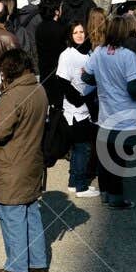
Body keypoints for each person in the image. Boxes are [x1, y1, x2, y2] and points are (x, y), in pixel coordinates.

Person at [0, 50, 51, 272]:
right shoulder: (39, 89)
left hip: (12, 163)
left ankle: (17, 266)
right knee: (31, 211)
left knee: (11, 214)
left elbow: (1, 131)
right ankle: (37, 262)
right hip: (32, 161)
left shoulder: (13, 96)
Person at [83, 14, 136, 211]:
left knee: (104, 158)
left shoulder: (99, 52)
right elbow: (134, 86)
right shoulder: (128, 56)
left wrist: (101, 83)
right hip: (124, 114)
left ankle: (105, 194)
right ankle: (116, 198)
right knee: (118, 160)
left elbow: (86, 76)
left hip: (105, 113)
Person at [54, 19, 99, 201]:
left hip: (88, 106)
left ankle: (73, 182)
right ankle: (81, 185)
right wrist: (79, 100)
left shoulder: (88, 51)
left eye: (82, 31)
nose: (79, 35)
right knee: (82, 148)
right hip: (75, 109)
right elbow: (62, 82)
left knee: (79, 147)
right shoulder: (67, 55)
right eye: (75, 32)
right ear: (69, 36)